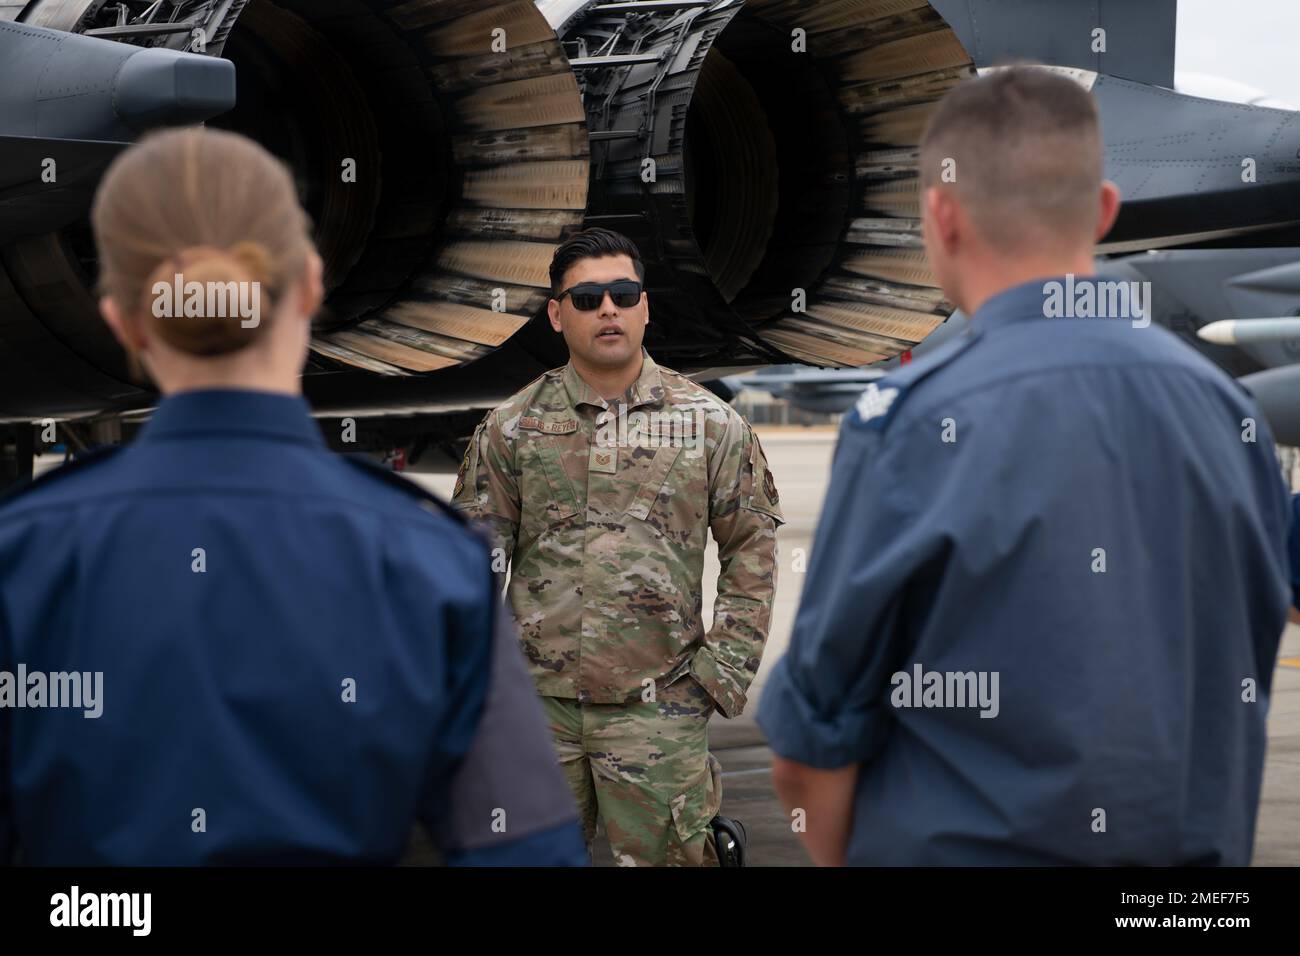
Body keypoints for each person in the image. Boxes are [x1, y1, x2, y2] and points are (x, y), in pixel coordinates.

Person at [0, 128, 585, 866]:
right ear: (308, 284)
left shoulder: (22, 559)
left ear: (121, 318)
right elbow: (523, 851)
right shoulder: (425, 563)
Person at [757, 66, 1291, 866]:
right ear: (1106, 210)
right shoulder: (1226, 412)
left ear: (940, 214)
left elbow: (813, 743)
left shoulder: (911, 421)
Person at [452, 227, 783, 866]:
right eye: (587, 298)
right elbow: (472, 565)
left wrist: (718, 678)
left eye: (624, 294)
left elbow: (753, 554)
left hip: (659, 711)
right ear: (556, 314)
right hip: (538, 718)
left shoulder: (710, 424)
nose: (608, 309)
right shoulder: (514, 427)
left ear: (645, 306)